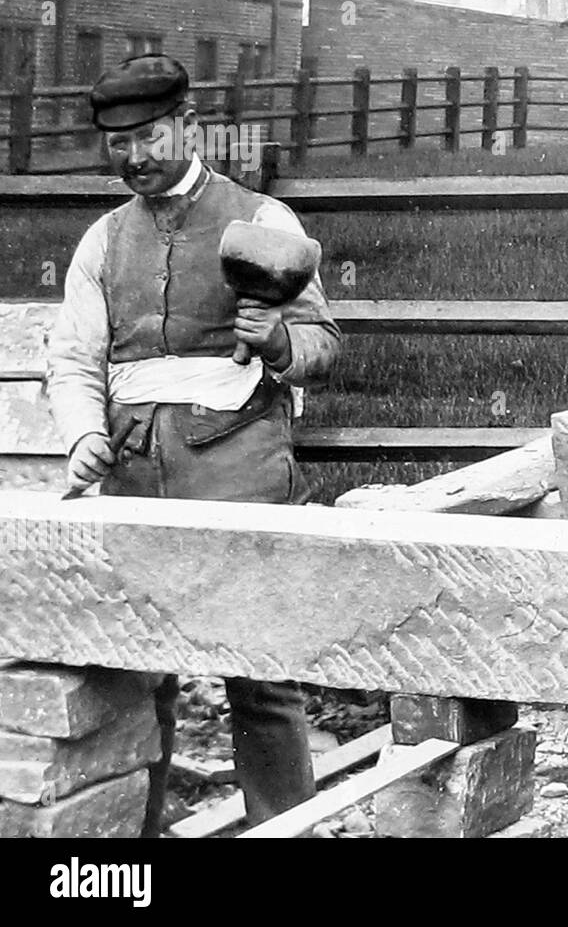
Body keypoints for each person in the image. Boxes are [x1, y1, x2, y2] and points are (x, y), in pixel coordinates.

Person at [47, 54, 342, 837]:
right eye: (119, 145)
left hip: (237, 461)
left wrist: (279, 339)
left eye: (149, 136)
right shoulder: (103, 242)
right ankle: (134, 846)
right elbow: (75, 358)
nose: (135, 157)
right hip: (137, 469)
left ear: (189, 126)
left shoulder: (263, 221)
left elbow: (323, 340)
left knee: (259, 671)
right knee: (137, 669)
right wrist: (82, 435)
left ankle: (284, 828)